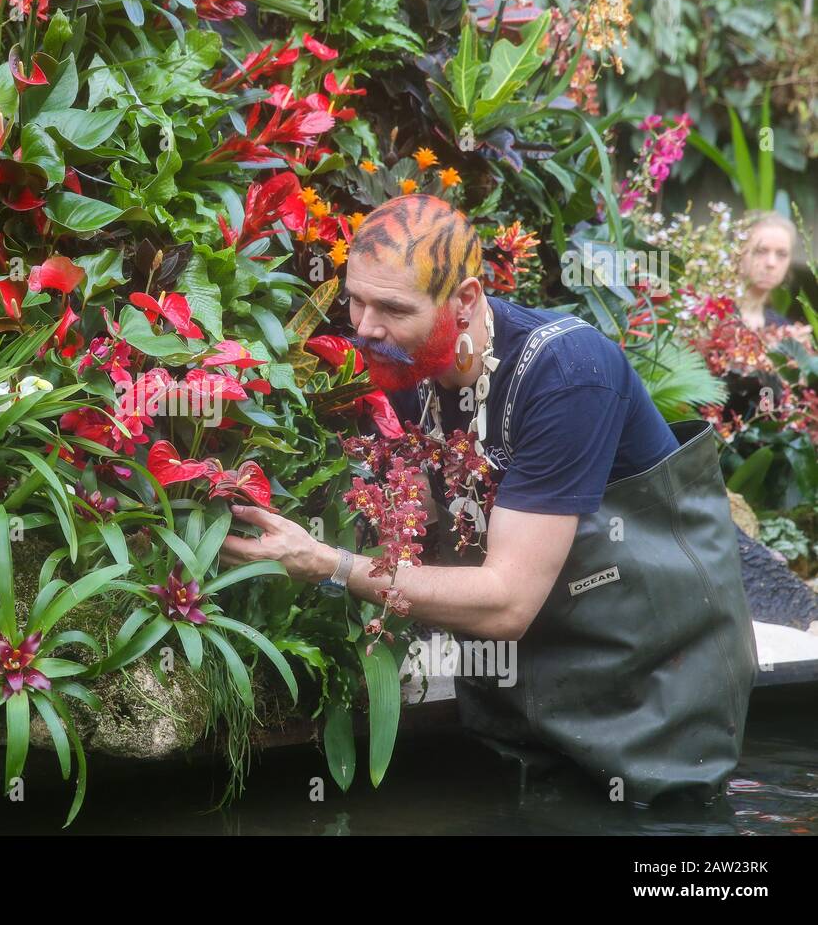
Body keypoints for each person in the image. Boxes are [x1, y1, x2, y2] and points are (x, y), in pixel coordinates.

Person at [220, 194, 757, 805]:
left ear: (466, 300)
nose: (365, 327)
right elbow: (408, 532)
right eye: (356, 299)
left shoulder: (569, 373)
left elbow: (506, 604)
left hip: (653, 699)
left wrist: (327, 564)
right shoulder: (401, 362)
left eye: (392, 307)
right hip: (522, 702)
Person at [738, 211, 798, 331]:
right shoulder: (710, 315)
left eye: (782, 254)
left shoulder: (784, 330)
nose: (771, 263)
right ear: (737, 253)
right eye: (760, 251)